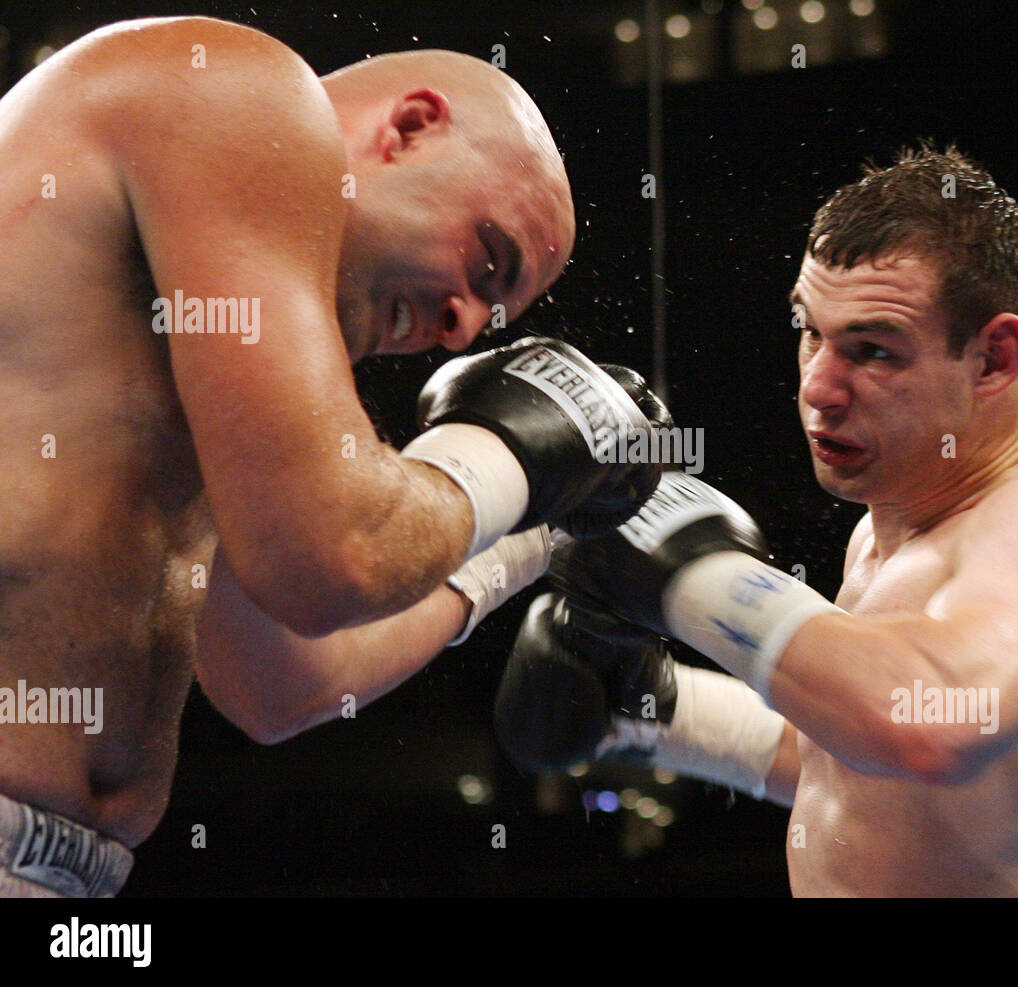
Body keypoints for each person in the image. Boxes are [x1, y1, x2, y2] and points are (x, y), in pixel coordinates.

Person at [0, 15, 661, 897]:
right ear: (412, 127)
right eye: (486, 260)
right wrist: (517, 457)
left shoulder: (218, 323)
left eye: (493, 315)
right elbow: (330, 556)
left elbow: (279, 680)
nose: (462, 325)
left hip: (73, 877)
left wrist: (539, 532)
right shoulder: (238, 88)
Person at [496, 144, 1018, 897]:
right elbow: (853, 758)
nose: (818, 386)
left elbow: (935, 721)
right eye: (810, 332)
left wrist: (690, 578)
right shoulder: (891, 525)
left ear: (994, 357)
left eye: (871, 349)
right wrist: (653, 709)